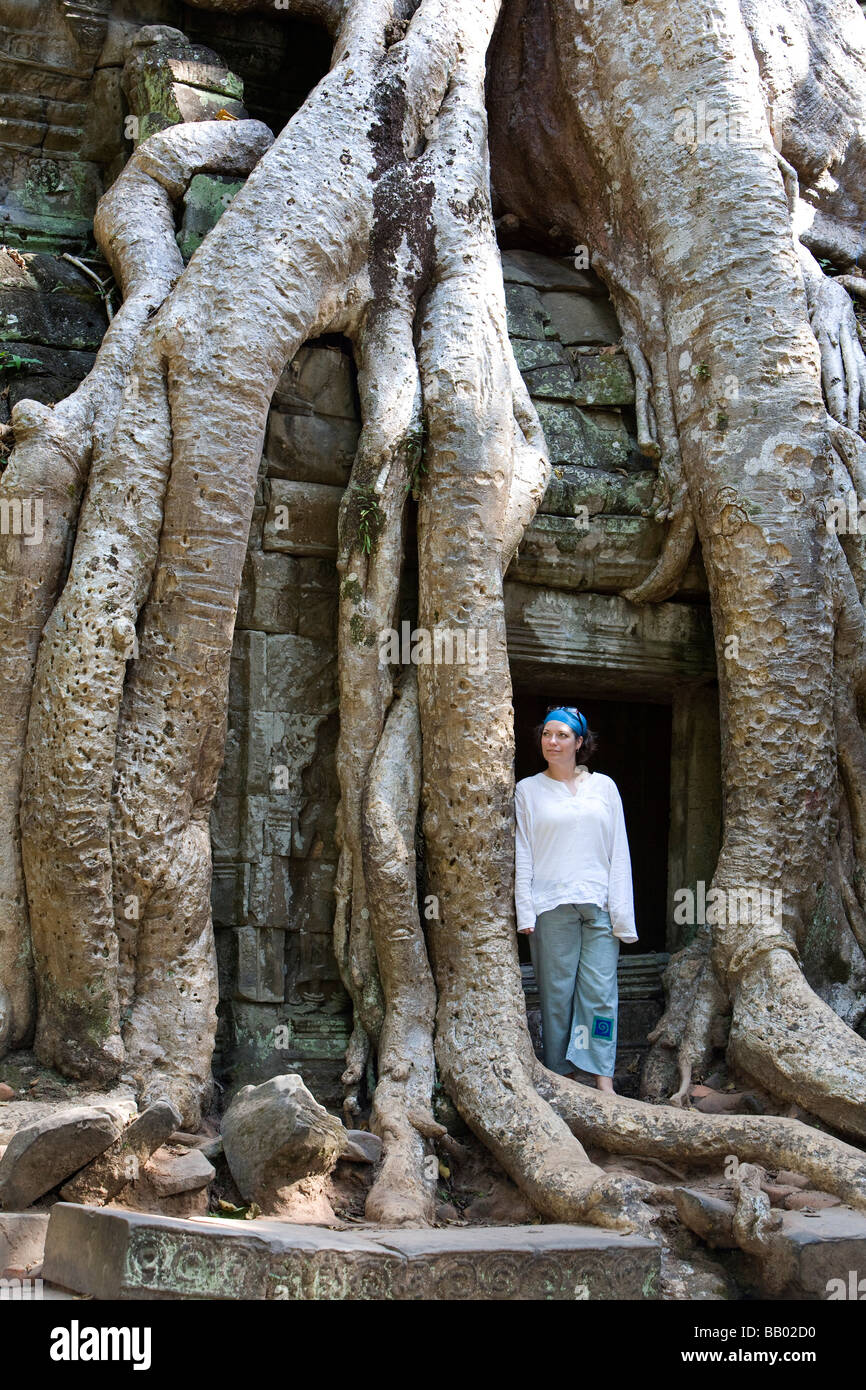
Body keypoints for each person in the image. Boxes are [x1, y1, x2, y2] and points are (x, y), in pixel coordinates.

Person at [514, 705, 637, 1093]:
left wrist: (622, 911)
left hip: (598, 906)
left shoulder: (604, 788)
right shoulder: (528, 790)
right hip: (550, 907)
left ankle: (603, 1079)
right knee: (556, 998)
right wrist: (524, 909)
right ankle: (561, 1077)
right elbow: (522, 852)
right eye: (547, 734)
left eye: (562, 735)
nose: (552, 741)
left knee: (600, 996)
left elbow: (620, 850)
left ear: (579, 742)